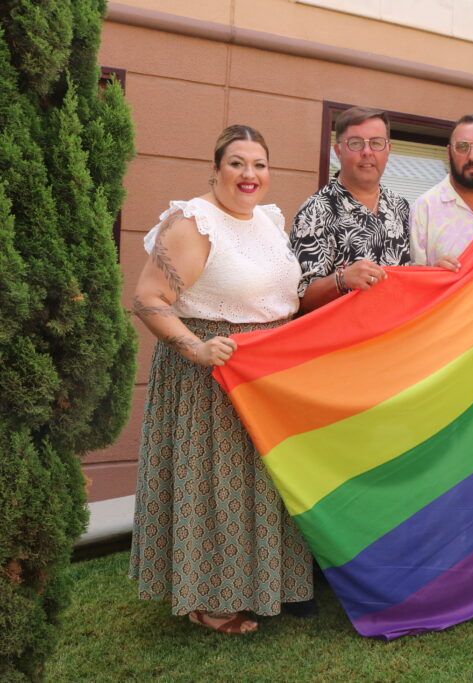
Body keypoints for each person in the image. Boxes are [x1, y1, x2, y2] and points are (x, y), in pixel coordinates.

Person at [129, 124, 313, 634]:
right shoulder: (193, 222)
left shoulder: (270, 222)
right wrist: (197, 348)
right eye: (237, 163)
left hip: (266, 373)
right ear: (215, 170)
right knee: (216, 483)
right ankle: (209, 597)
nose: (249, 174)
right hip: (211, 371)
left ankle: (259, 585)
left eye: (258, 164)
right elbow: (147, 298)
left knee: (261, 484)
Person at [290, 107, 410, 313]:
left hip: (395, 339)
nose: (367, 152)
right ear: (338, 151)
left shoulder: (402, 207)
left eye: (376, 143)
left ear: (388, 149)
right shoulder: (316, 211)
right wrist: (341, 280)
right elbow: (299, 301)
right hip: (340, 341)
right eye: (355, 143)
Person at [410, 114, 473, 270]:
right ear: (449, 152)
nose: (472, 157)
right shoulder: (425, 208)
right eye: (462, 147)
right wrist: (431, 275)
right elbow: (412, 278)